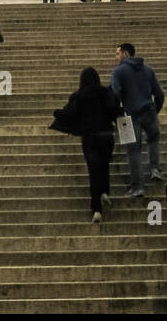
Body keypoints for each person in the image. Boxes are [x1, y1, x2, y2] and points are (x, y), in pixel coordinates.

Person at [50, 67, 120, 222]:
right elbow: (115, 111)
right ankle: (105, 192)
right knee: (104, 165)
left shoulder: (80, 96)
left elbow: (69, 113)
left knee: (93, 171)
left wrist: (55, 113)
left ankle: (96, 209)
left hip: (90, 138)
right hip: (107, 136)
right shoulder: (106, 93)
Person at [111, 42, 164, 197]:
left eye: (117, 53)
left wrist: (117, 114)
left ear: (125, 54)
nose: (116, 57)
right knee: (153, 139)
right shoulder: (148, 70)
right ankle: (155, 169)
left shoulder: (118, 72)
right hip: (149, 111)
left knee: (133, 151)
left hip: (129, 115)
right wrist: (155, 110)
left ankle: (137, 186)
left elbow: (115, 94)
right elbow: (159, 94)